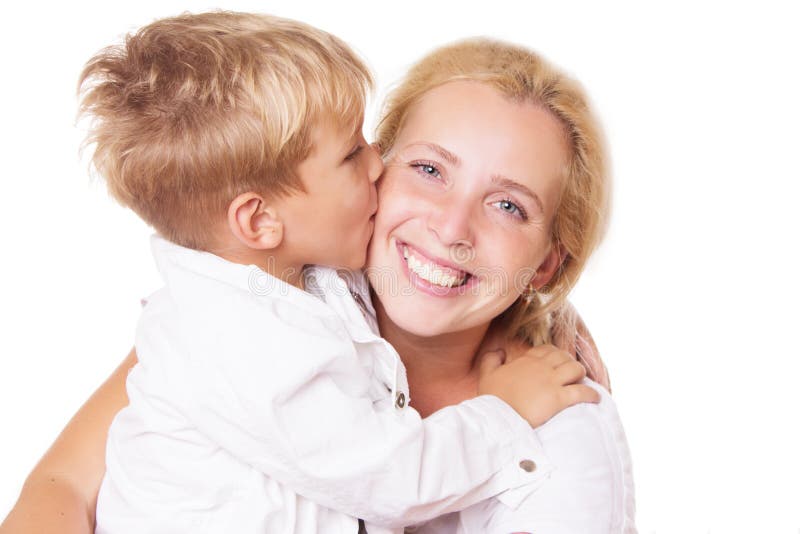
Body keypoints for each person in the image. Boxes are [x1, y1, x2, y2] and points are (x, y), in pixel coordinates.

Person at [0, 26, 635, 534]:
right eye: (426, 168)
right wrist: (503, 410)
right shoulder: (257, 318)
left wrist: (546, 312)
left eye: (508, 207)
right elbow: (60, 486)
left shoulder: (569, 438)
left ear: (549, 261)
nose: (450, 227)